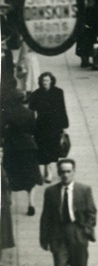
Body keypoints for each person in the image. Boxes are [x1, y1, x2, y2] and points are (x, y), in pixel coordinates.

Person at [39, 158, 97, 266]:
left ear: (73, 172)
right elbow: (46, 217)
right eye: (62, 172)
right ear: (58, 173)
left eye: (68, 171)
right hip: (58, 237)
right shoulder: (51, 192)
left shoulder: (84, 190)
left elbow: (92, 212)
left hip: (77, 235)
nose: (65, 175)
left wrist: (86, 230)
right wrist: (44, 238)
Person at [2, 82, 42, 215]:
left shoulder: (7, 114)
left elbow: (2, 132)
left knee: (10, 173)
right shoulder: (30, 113)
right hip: (28, 146)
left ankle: (10, 201)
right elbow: (34, 130)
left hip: (12, 147)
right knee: (31, 175)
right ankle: (31, 203)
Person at [28, 72, 70, 184]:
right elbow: (31, 108)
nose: (45, 83)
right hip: (41, 125)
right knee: (43, 149)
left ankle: (53, 170)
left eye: (47, 80)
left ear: (51, 81)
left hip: (54, 125)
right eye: (43, 81)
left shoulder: (58, 92)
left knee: (54, 148)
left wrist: (64, 125)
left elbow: (62, 108)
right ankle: (48, 171)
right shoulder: (37, 94)